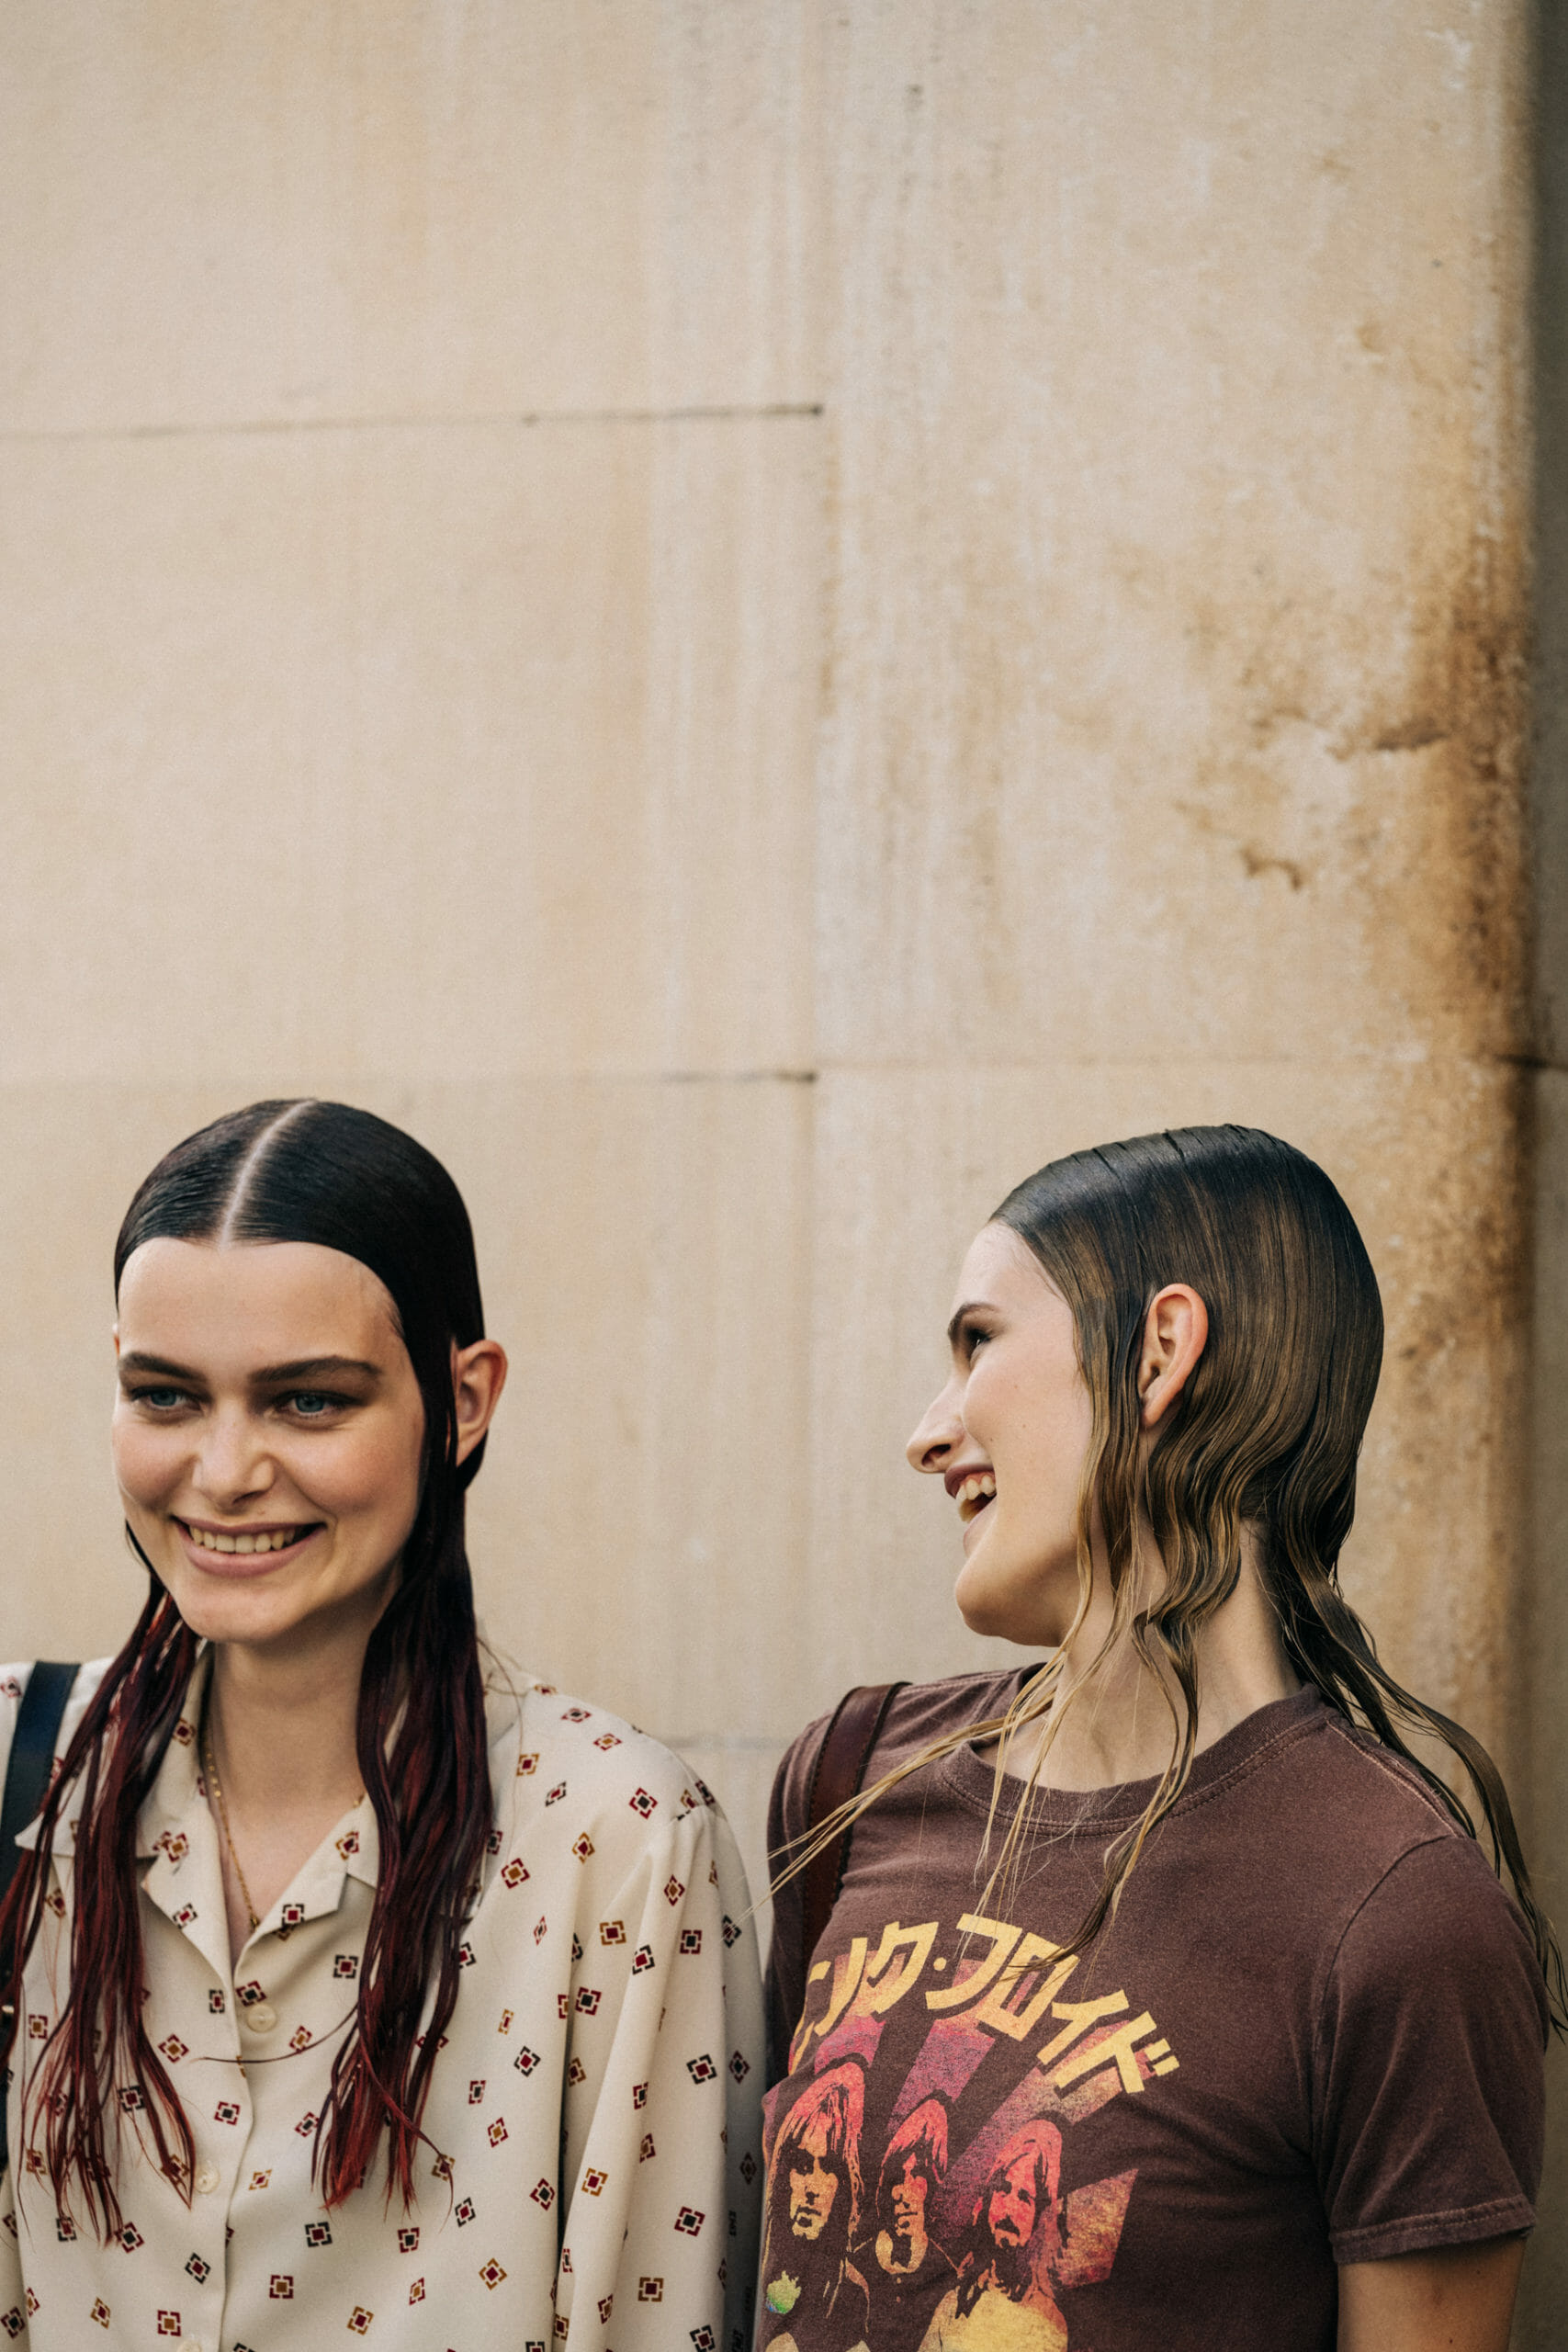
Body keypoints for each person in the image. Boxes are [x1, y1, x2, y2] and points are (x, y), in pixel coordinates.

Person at [762, 1128, 1559, 2352]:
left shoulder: (1395, 1918)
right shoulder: (853, 1776)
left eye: (977, 1340)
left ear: (1158, 1350)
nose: (927, 1433)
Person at [0, 1098, 763, 2351]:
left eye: (307, 1402)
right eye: (167, 1396)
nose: (226, 1468)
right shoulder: (24, 1780)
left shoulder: (619, 1842)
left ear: (462, 1401)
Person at [759, 2064, 871, 2352]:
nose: (813, 2187)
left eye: (830, 2169)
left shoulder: (851, 2294)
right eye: (803, 2165)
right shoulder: (771, 2267)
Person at [857, 2100, 954, 2352]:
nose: (906, 2191)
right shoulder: (856, 2264)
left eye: (919, 2177)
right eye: (899, 2175)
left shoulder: (948, 2280)